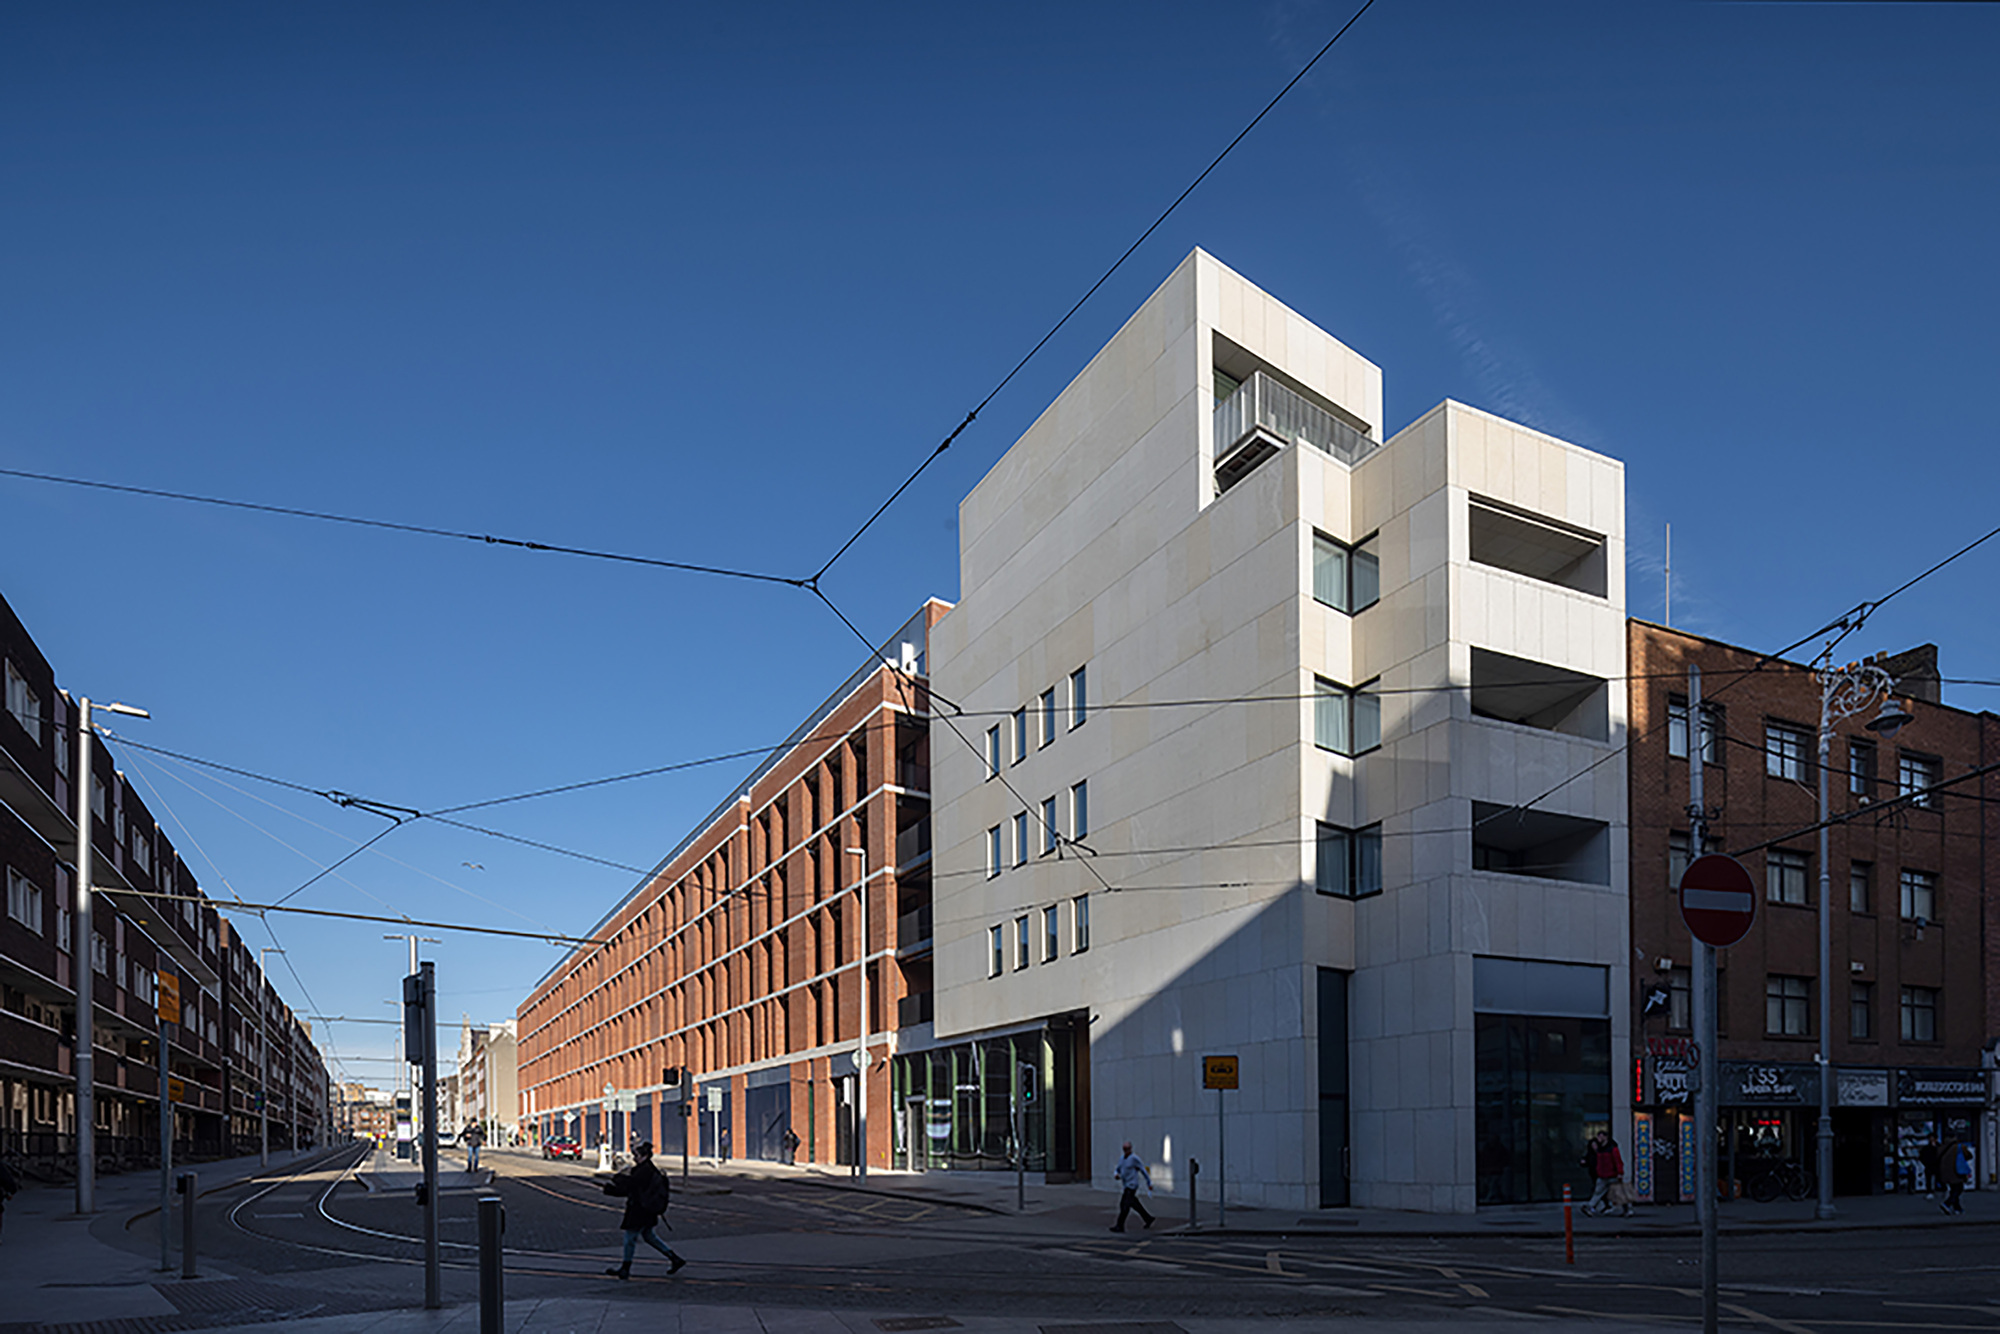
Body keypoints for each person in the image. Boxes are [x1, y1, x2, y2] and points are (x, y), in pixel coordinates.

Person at [604, 1141, 685, 1279]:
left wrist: (616, 1180)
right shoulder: (647, 1169)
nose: (634, 1158)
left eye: (637, 1155)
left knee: (630, 1238)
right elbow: (633, 1189)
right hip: (647, 1210)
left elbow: (632, 1186)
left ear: (645, 1156)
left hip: (640, 1210)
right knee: (649, 1236)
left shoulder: (644, 1171)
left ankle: (625, 1268)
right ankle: (675, 1259)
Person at [1110, 1141, 1155, 1232]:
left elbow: (1143, 1170)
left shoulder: (1134, 1159)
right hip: (1126, 1185)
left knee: (1124, 1205)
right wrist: (1116, 1175)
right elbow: (1118, 1169)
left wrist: (1149, 1183)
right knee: (1134, 1204)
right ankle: (1148, 1218)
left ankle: (1120, 1225)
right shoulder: (1122, 1159)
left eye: (1127, 1149)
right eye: (1124, 1149)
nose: (1126, 1151)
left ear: (1130, 1149)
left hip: (1132, 1185)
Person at [1582, 1130, 1630, 1217]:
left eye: (1600, 1137)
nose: (1598, 1139)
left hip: (1612, 1174)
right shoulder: (1601, 1149)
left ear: (1605, 1137)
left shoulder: (1612, 1149)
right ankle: (1590, 1206)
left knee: (1617, 1193)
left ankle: (1627, 1209)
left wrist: (1619, 1172)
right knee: (1598, 1191)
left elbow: (1618, 1161)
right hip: (1603, 1174)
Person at [1937, 1137, 1969, 1215]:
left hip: (1945, 1172)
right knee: (1959, 1189)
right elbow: (1968, 1155)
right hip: (1956, 1171)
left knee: (1954, 1189)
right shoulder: (1959, 1147)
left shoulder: (1942, 1147)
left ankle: (1957, 1208)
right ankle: (1947, 1203)